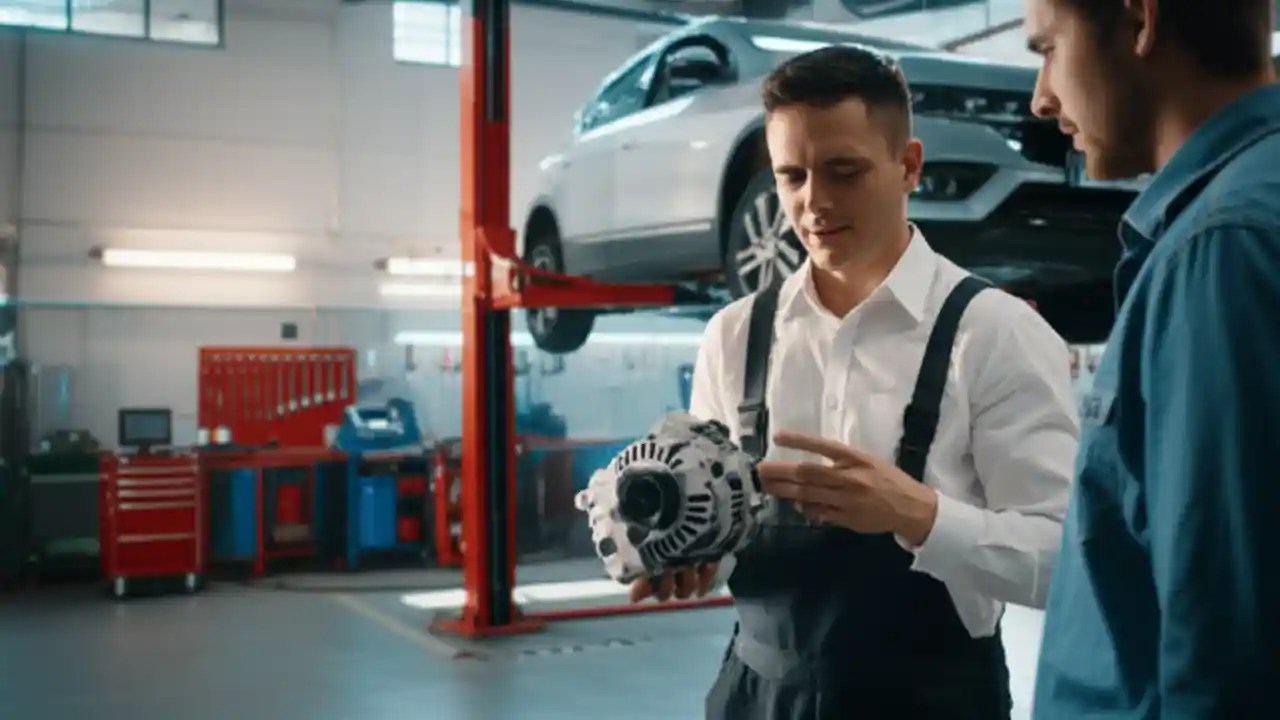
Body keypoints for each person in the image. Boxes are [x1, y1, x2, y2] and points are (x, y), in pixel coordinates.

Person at [629, 45, 1081, 718]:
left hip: (932, 701)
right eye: (792, 177)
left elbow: (1065, 564)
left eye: (844, 171)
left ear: (909, 167)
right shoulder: (734, 337)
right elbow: (724, 545)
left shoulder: (996, 334)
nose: (814, 203)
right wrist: (689, 556)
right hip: (757, 697)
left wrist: (920, 516)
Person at [1023, 0, 1280, 716]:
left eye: (1047, 48)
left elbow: (1226, 648)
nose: (1041, 98)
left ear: (1140, 20)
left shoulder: (1221, 251)